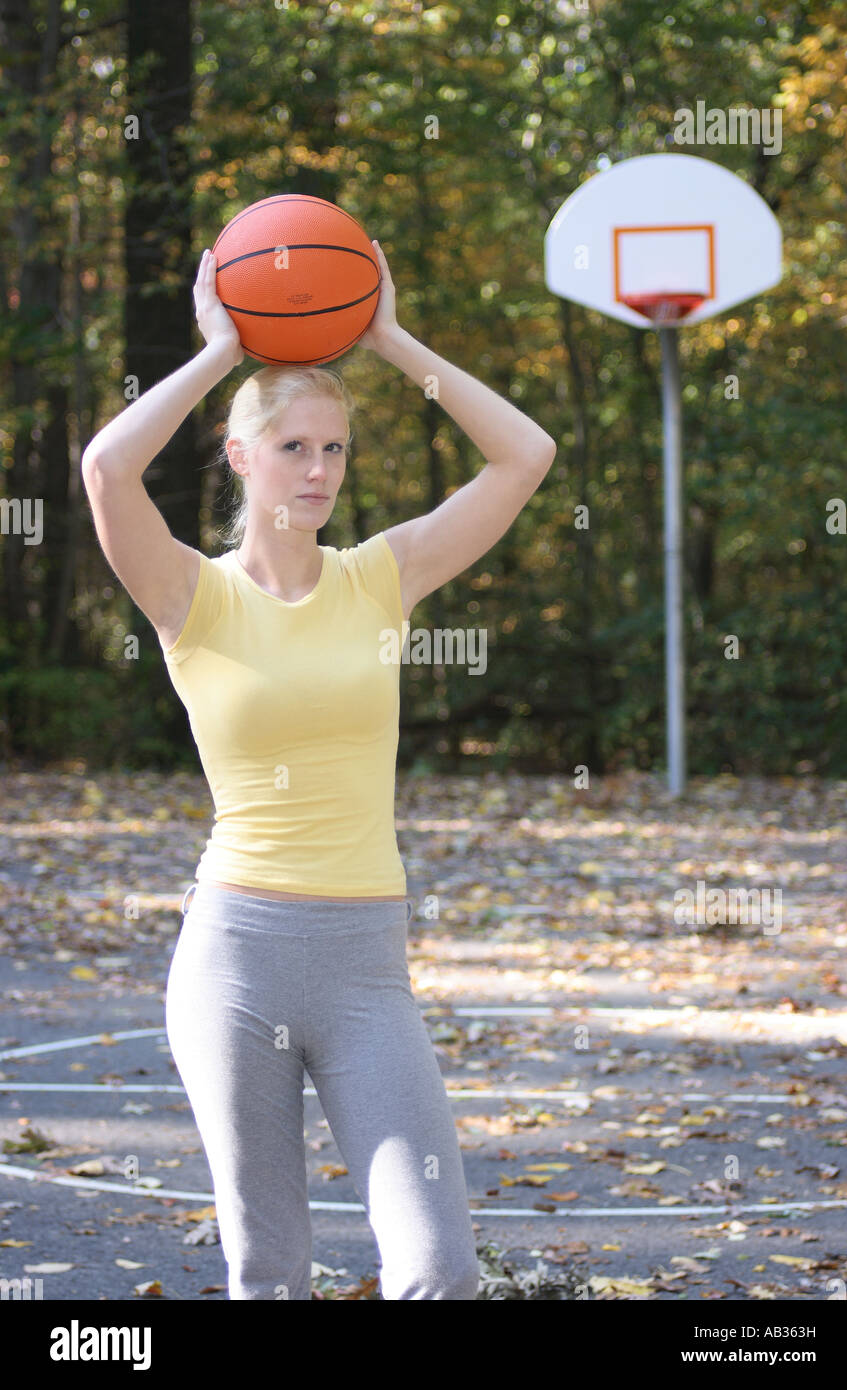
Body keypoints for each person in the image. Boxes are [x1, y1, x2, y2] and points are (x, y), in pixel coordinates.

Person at [81, 238, 556, 1300]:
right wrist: (217, 351)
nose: (318, 471)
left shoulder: (377, 578)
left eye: (335, 449)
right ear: (240, 457)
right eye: (293, 446)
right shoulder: (190, 596)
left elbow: (524, 455)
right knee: (270, 1269)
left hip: (363, 964)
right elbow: (107, 468)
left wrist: (388, 338)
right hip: (236, 960)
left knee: (438, 1269)